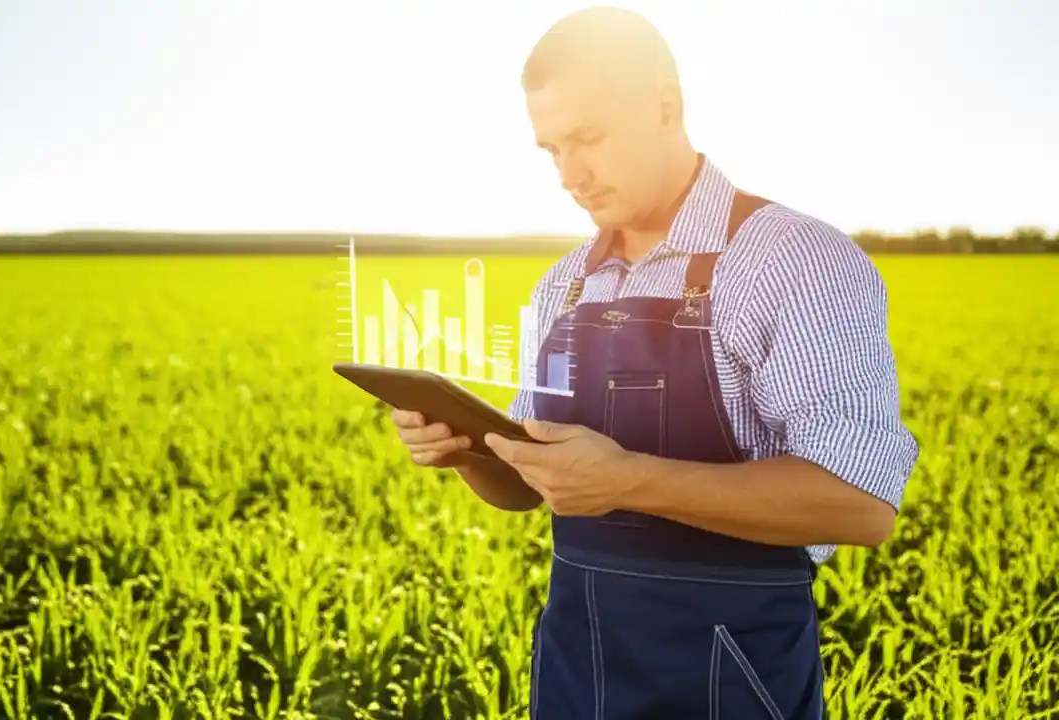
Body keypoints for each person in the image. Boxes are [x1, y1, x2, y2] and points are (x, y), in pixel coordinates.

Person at [389, 5, 920, 719]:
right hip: (577, 667)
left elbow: (858, 504)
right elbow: (530, 488)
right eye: (550, 150)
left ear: (665, 106)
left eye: (588, 138)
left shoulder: (793, 259)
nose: (569, 175)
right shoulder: (565, 284)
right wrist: (468, 452)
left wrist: (628, 480)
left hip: (729, 676)